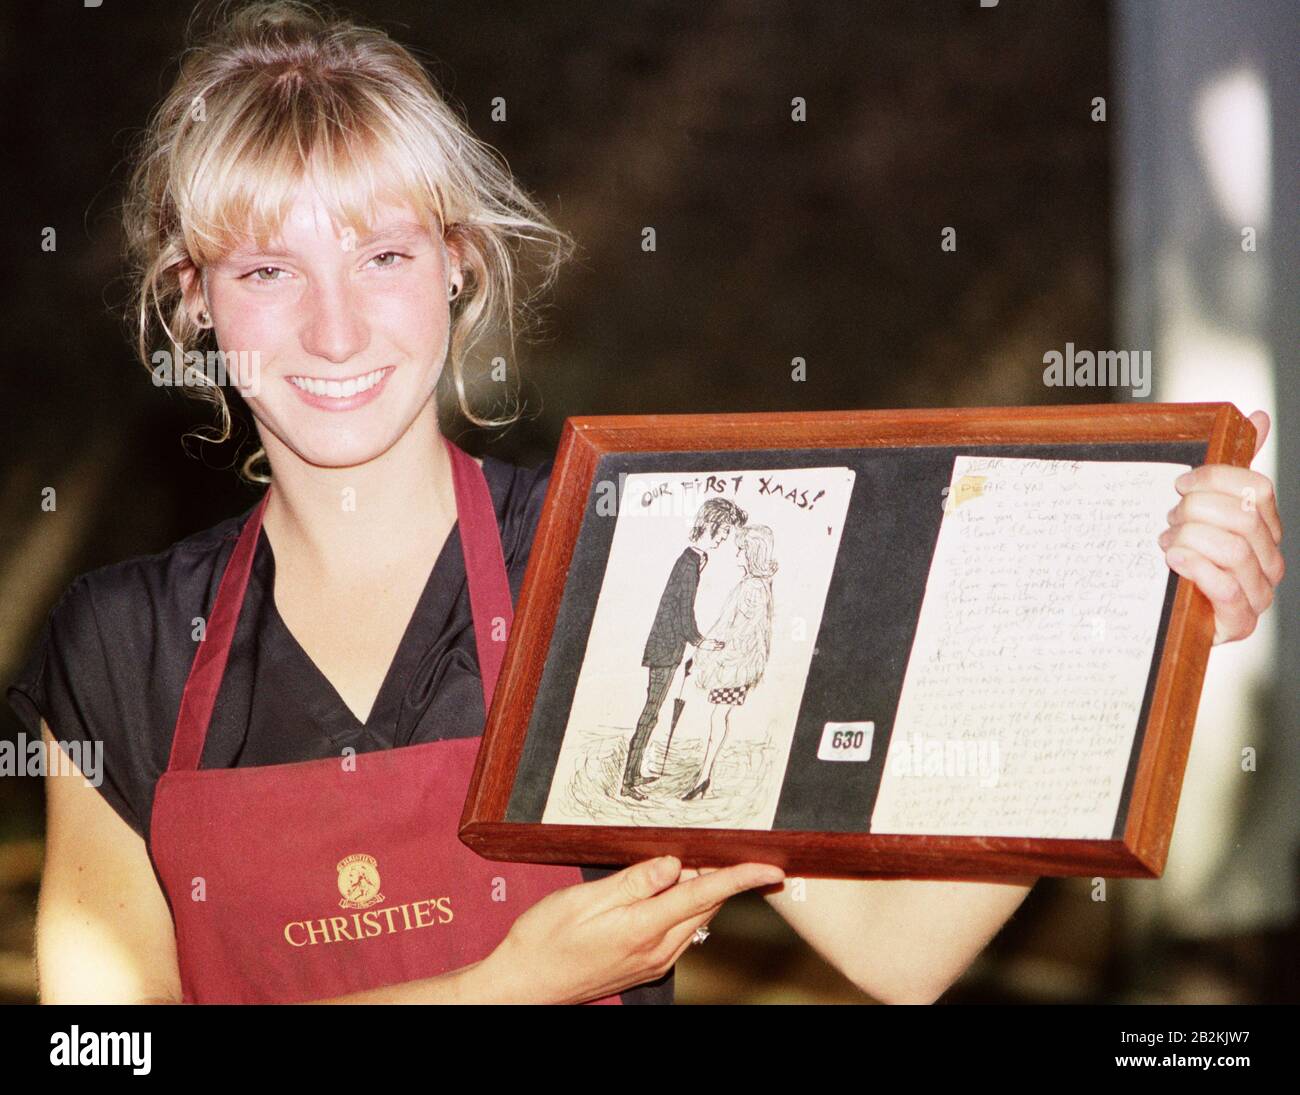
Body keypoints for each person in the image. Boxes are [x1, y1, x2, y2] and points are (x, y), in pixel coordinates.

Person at [5, 1, 1284, 1005]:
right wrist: (497, 993)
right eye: (269, 268)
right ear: (192, 299)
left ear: (459, 266)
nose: (333, 326)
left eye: (384, 255)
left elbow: (902, 952)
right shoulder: (118, 645)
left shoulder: (614, 564)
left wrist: (1138, 640)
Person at [621, 498, 743, 800]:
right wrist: (701, 641)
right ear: (712, 525)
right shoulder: (689, 563)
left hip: (668, 646)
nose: (725, 538)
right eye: (724, 531)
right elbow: (682, 612)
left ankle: (633, 774)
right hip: (665, 649)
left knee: (653, 712)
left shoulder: (693, 558)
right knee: (651, 712)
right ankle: (628, 781)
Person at [686, 524, 778, 800]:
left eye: (741, 550)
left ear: (752, 554)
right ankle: (703, 776)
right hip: (732, 663)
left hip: (735, 665)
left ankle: (704, 776)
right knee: (719, 715)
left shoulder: (753, 587)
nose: (736, 555)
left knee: (718, 716)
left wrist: (713, 655)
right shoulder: (755, 584)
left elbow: (741, 630)